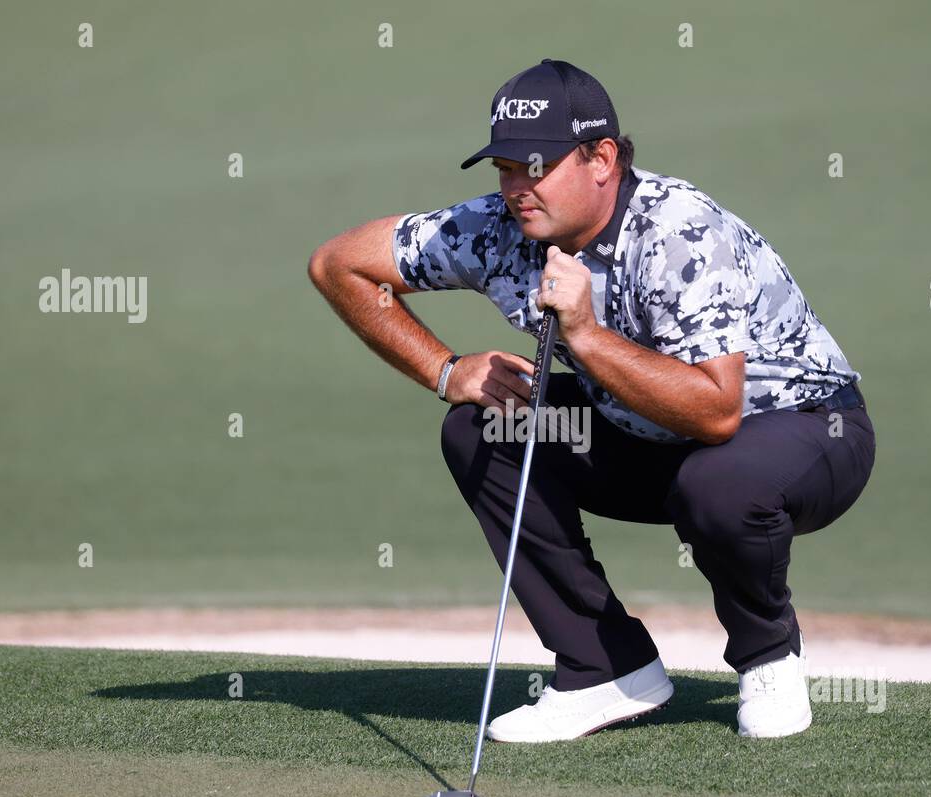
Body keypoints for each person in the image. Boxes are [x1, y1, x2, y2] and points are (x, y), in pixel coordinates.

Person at [308, 59, 876, 741]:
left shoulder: (678, 230)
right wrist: (447, 369)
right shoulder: (497, 230)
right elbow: (339, 264)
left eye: (535, 167)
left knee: (718, 481)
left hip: (805, 430)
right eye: (505, 169)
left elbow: (717, 412)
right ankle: (604, 665)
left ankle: (768, 654)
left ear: (601, 158)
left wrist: (585, 334)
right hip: (640, 432)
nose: (517, 188)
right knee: (481, 428)